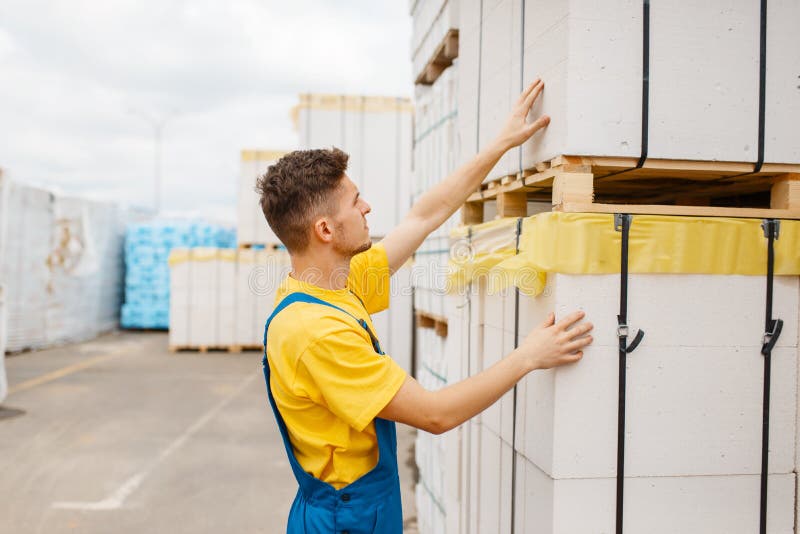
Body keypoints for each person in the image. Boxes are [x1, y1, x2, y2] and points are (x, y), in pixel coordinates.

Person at [256, 79, 593, 534]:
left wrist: (501, 144)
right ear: (325, 230)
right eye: (356, 203)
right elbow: (435, 414)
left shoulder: (332, 282)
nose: (368, 207)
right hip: (346, 520)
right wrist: (528, 356)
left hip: (362, 505)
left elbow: (424, 215)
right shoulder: (317, 332)